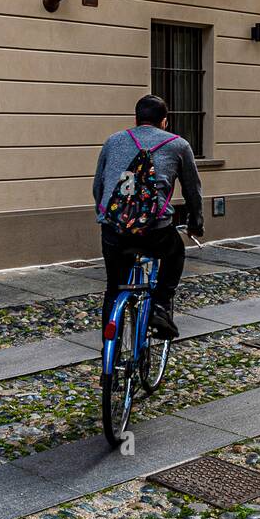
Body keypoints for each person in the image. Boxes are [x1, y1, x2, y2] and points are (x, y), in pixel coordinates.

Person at [93, 94, 204, 339]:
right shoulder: (178, 145)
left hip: (115, 230)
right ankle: (161, 306)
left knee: (114, 288)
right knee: (175, 252)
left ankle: (108, 362)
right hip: (155, 232)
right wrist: (196, 223)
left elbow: (98, 186)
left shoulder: (113, 141)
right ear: (165, 121)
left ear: (136, 119)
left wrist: (104, 216)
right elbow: (192, 191)